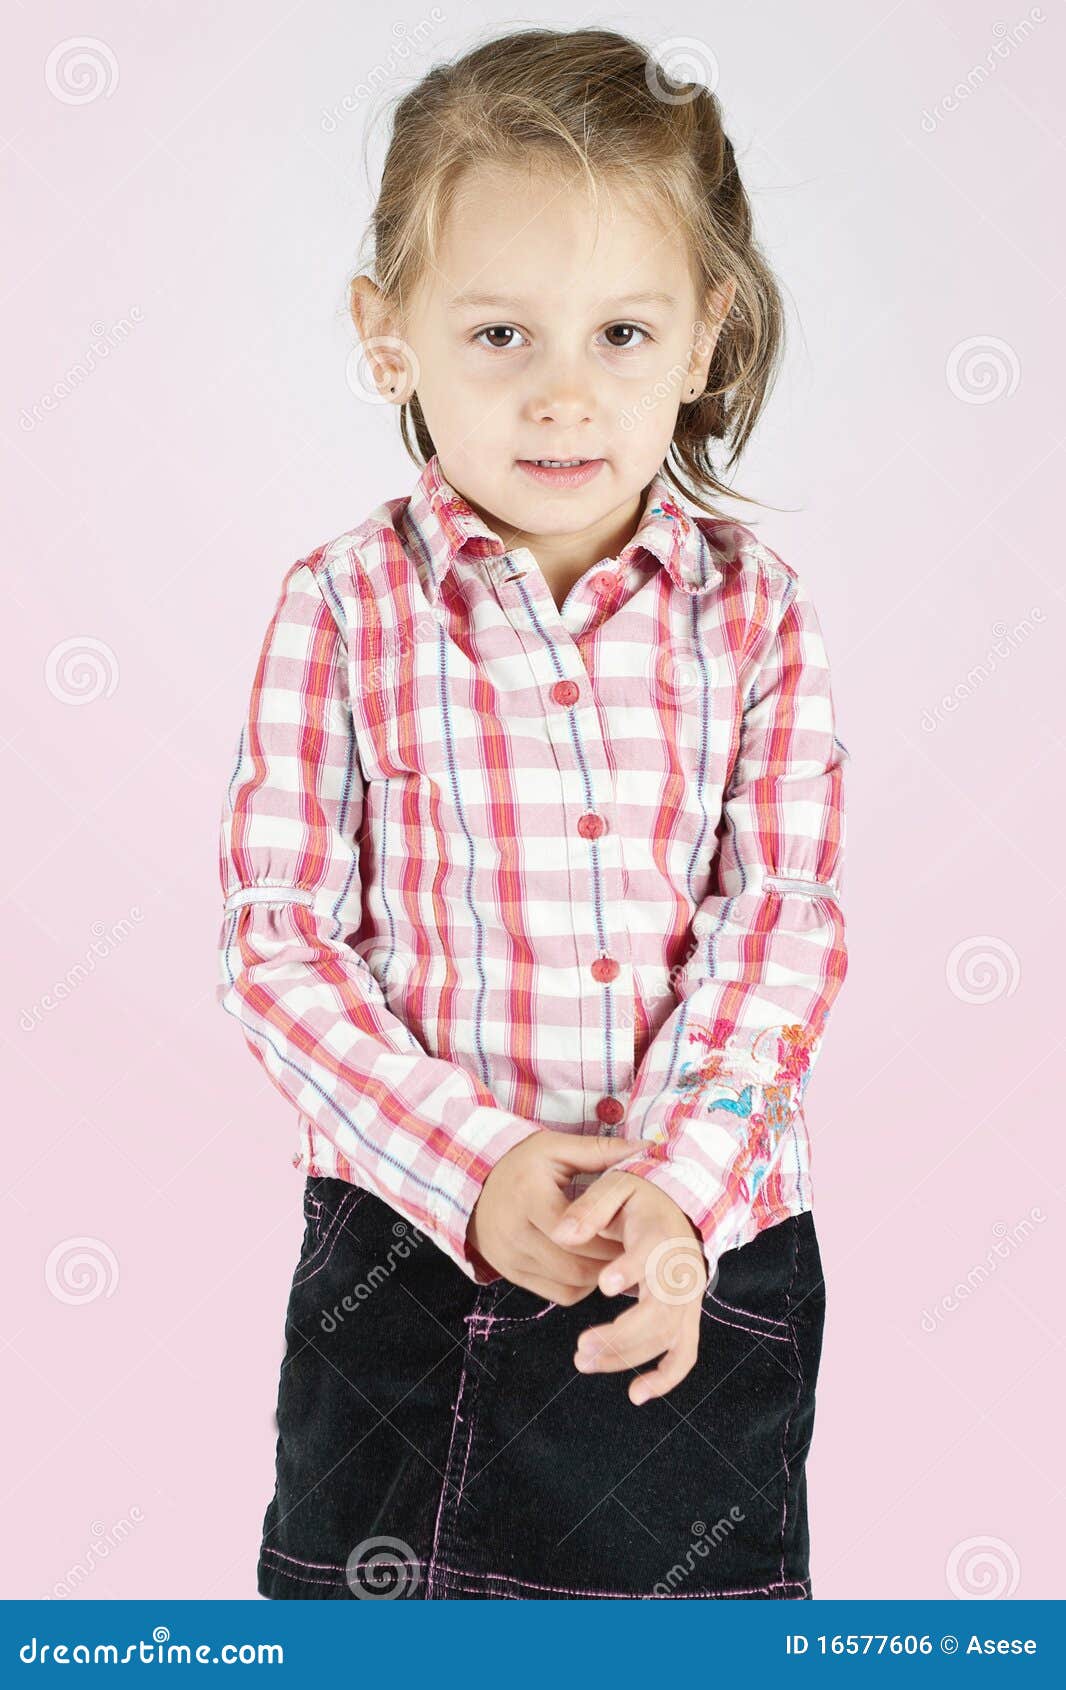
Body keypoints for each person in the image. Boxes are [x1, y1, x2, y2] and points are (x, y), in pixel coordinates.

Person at [216, 24, 851, 1601]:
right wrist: (476, 1161)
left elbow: (780, 926)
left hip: (696, 1262)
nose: (564, 396)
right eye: (499, 333)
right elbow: (280, 946)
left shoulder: (755, 617)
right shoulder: (345, 607)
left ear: (704, 335)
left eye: (622, 333)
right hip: (404, 1262)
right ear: (388, 336)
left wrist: (676, 1184)